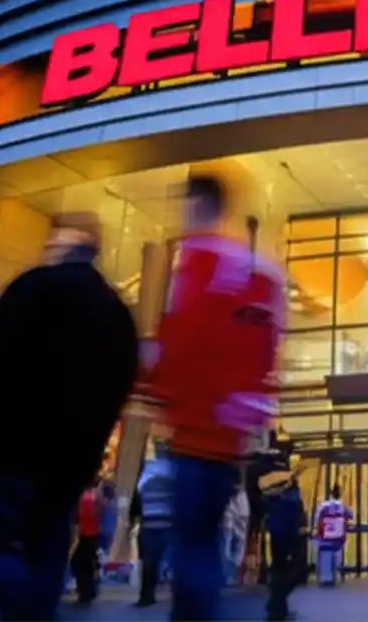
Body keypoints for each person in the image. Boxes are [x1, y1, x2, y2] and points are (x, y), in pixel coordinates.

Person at [0, 213, 139, 620]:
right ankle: (35, 608)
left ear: (64, 251)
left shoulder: (36, 287)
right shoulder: (117, 316)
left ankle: (27, 605)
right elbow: (120, 387)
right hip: (70, 463)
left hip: (9, 447)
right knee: (46, 550)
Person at [145, 175, 285, 620]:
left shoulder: (203, 259)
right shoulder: (255, 269)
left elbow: (183, 338)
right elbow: (266, 347)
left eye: (184, 204)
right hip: (226, 437)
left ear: (199, 204)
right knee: (200, 542)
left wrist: (153, 382)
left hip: (196, 428)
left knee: (194, 546)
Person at [263, 465, 306, 621]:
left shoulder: (282, 496)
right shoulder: (280, 496)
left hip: (282, 532)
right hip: (286, 533)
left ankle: (277, 604)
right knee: (291, 569)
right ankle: (277, 604)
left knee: (281, 569)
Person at [135, 441, 175, 608]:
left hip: (149, 522)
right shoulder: (174, 471)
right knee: (171, 561)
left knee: (149, 562)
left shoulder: (146, 472)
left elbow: (138, 494)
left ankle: (146, 596)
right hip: (167, 523)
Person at [70, 480, 105, 604]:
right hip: (93, 532)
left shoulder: (83, 495)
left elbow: (77, 516)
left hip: (83, 533)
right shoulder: (96, 494)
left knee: (80, 563)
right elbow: (100, 512)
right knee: (87, 563)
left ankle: (85, 591)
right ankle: (88, 590)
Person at [313, 486, 352, 587]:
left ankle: (325, 578)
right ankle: (333, 577)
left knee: (324, 557)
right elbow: (350, 515)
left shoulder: (323, 506)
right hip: (338, 538)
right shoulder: (342, 506)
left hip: (324, 537)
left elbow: (317, 520)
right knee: (336, 558)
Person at [222, 482, 250, 586]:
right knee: (226, 541)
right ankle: (227, 575)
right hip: (226, 495)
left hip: (239, 496)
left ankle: (230, 574)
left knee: (238, 542)